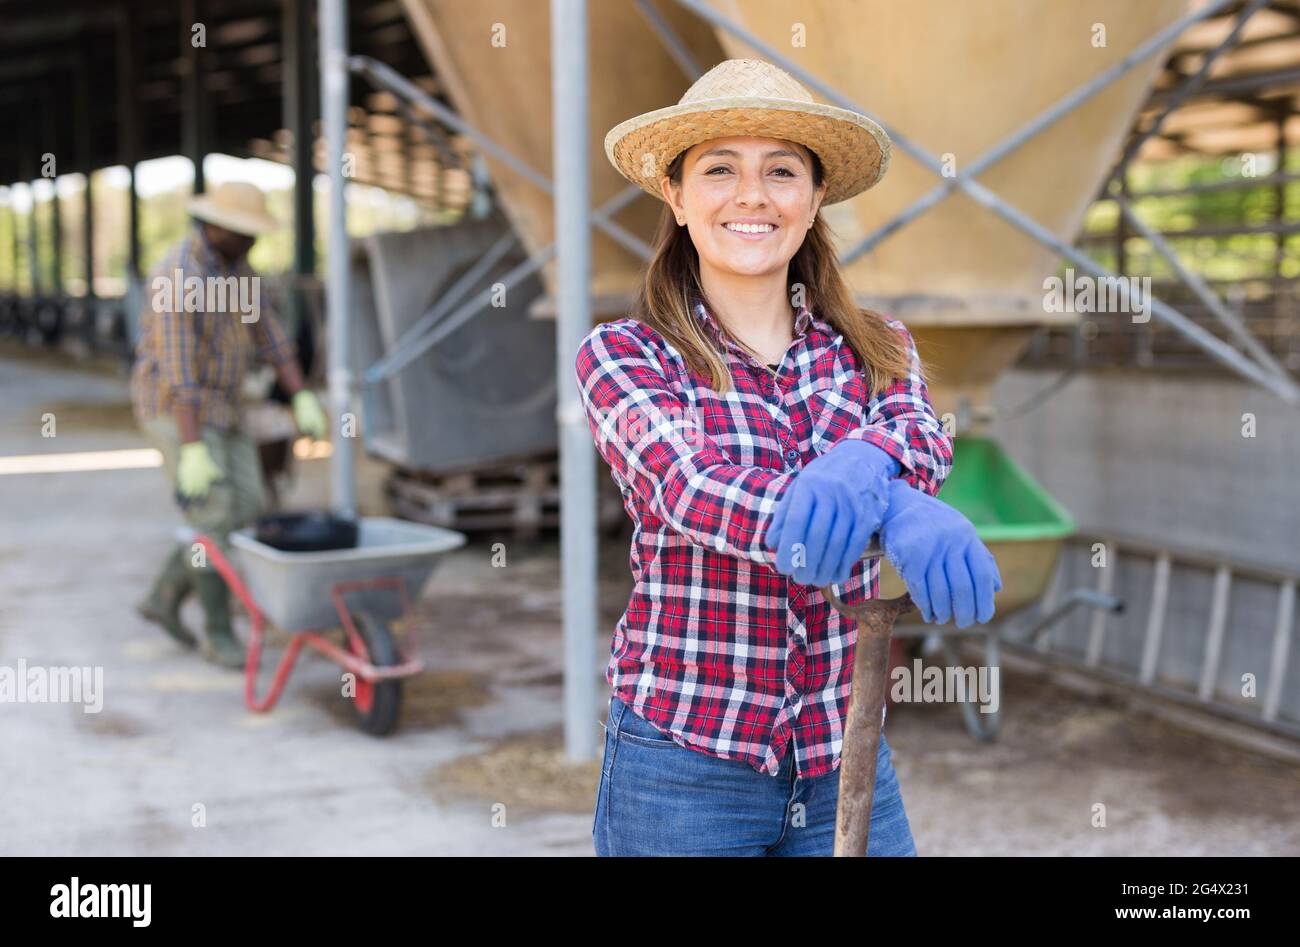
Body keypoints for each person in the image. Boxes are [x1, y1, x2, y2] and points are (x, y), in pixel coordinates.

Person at [575, 59, 1002, 856]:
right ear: (675, 194)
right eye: (718, 170)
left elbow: (919, 435)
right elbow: (691, 488)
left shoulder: (878, 345)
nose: (752, 196)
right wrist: (879, 497)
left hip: (845, 752)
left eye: (781, 170)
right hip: (685, 764)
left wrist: (876, 472)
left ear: (813, 198)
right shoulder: (627, 355)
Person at [131, 181, 327, 669]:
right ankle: (219, 633)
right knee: (213, 515)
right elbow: (179, 373)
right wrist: (193, 449)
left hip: (225, 404)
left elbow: (271, 337)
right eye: (247, 234)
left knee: (250, 504)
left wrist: (300, 393)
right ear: (217, 228)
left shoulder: (238, 271)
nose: (254, 242)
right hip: (175, 407)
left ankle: (162, 596)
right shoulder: (178, 276)